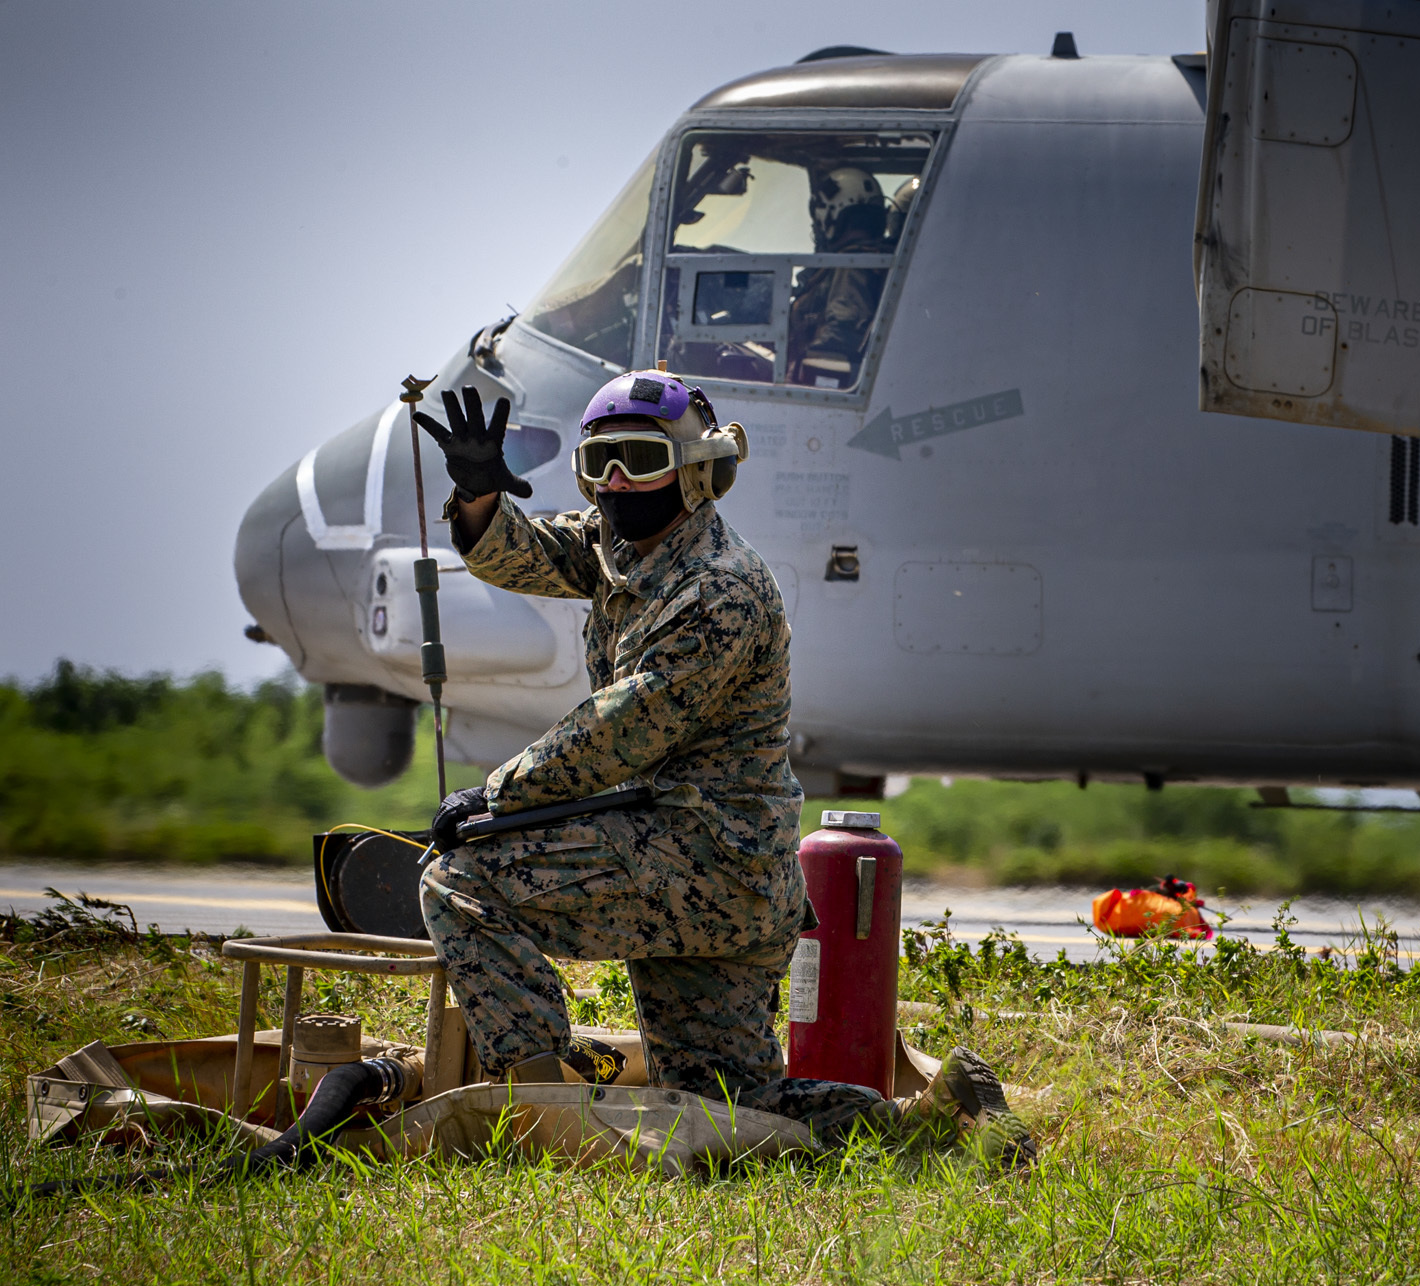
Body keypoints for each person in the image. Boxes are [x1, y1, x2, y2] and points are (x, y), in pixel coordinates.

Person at [410, 370, 1032, 1165]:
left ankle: (547, 1122)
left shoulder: (722, 590)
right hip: (717, 869)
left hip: (703, 856)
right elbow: (526, 555)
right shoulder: (623, 548)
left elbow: (619, 731)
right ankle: (946, 1123)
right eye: (599, 461)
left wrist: (496, 795)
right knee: (731, 1107)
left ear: (698, 468)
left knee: (463, 878)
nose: (616, 482)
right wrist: (477, 499)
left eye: (637, 458)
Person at [786, 167, 895, 387]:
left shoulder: (851, 267)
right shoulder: (871, 262)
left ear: (832, 215)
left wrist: (793, 374)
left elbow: (840, 335)